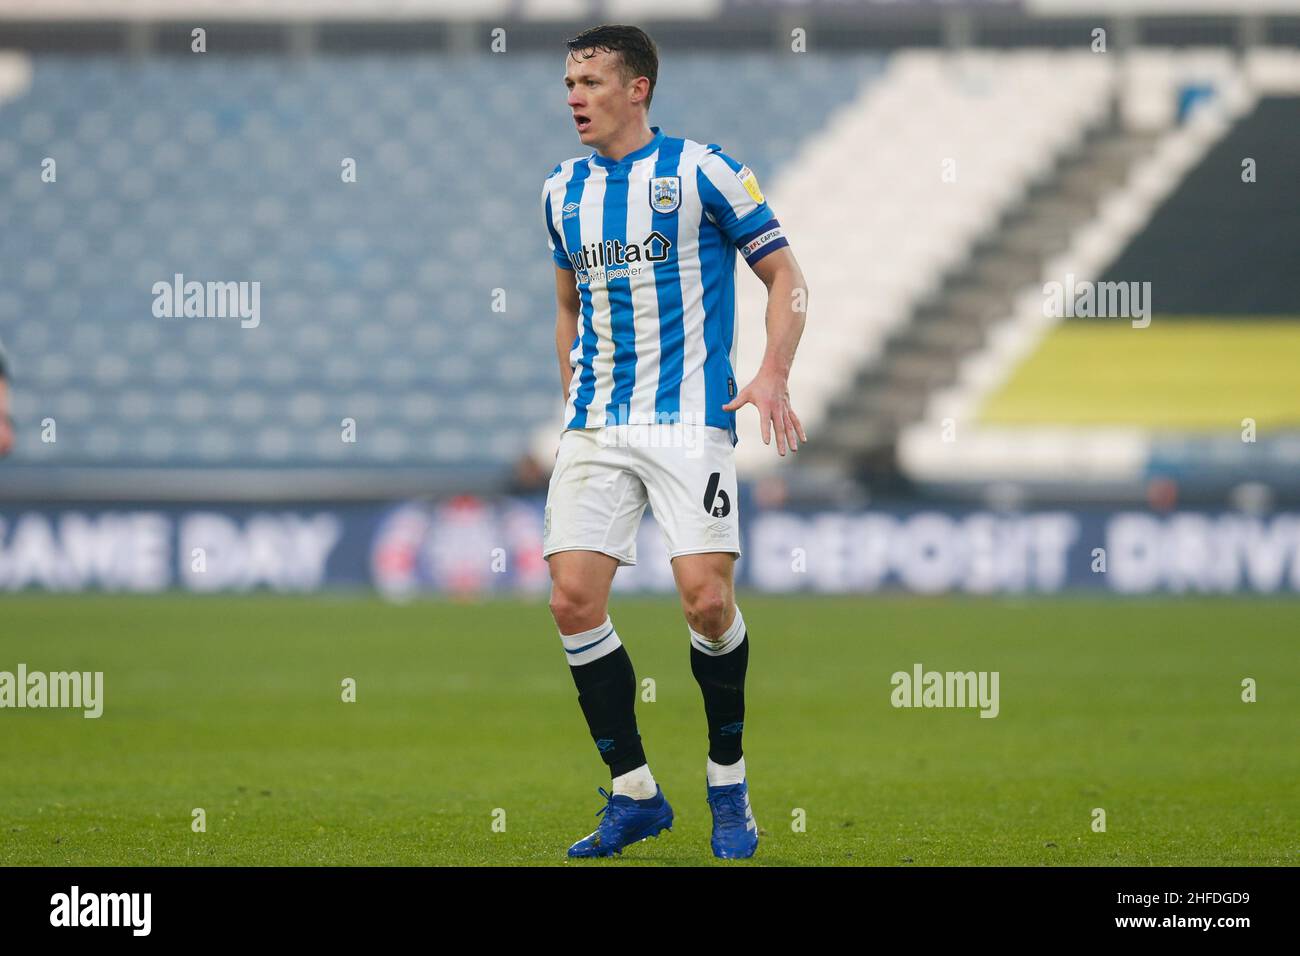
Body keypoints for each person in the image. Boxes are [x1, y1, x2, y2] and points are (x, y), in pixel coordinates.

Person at [539, 24, 809, 859]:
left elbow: (785, 276)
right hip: (598, 423)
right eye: (569, 81)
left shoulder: (704, 171)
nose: (574, 96)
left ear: (638, 87)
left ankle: (727, 781)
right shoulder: (561, 191)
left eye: (590, 81)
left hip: (690, 418)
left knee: (707, 602)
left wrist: (770, 372)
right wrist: (573, 409)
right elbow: (566, 307)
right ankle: (635, 795)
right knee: (571, 602)